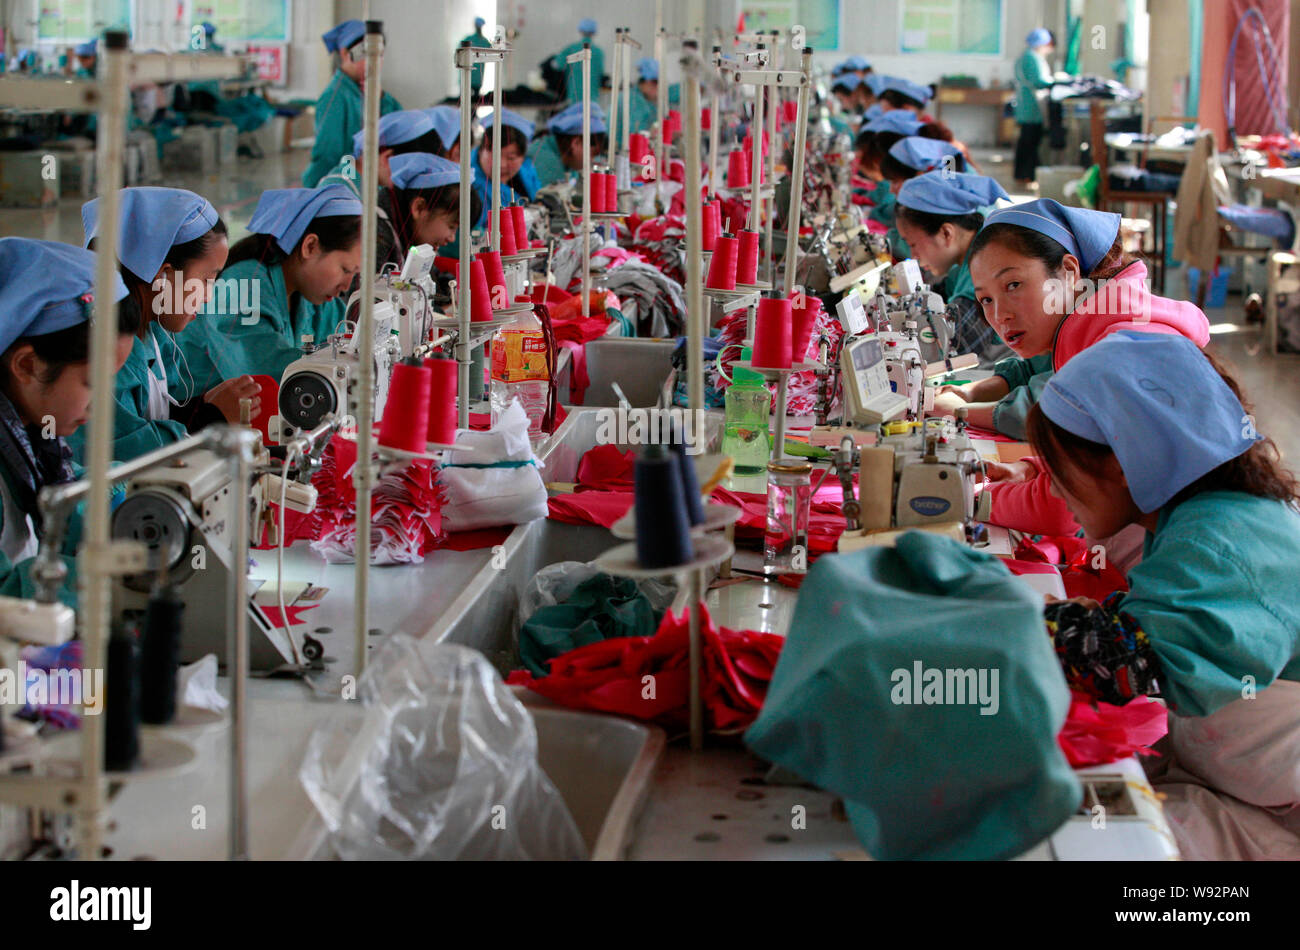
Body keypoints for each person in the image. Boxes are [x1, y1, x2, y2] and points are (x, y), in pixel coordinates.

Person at [1026, 333, 1300, 859]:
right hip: (1243, 781)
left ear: (1124, 462)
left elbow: (1122, 660)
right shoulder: (1201, 515)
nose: (1056, 490)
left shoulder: (1221, 542)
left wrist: (986, 621)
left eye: (1060, 471)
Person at [938, 199, 1209, 536]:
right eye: (986, 299)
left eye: (1013, 285)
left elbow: (1061, 510)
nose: (1000, 315)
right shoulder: (1096, 330)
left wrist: (959, 498)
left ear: (1068, 272)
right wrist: (1033, 469)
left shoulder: (1111, 353)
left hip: (1193, 553)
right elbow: (1103, 460)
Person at [71, 187, 256, 465]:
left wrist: (198, 409)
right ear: (164, 276)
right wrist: (209, 420)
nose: (208, 296)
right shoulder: (108, 358)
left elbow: (148, 419)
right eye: (206, 280)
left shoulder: (156, 335)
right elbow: (122, 458)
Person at [0, 239, 139, 606]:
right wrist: (118, 582)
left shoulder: (30, 433)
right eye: (92, 383)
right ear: (27, 365)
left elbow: (61, 494)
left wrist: (126, 492)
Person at [176, 186, 363, 390]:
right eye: (345, 269)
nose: (346, 286)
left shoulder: (318, 299)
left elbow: (344, 347)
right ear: (310, 246)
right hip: (199, 414)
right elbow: (261, 377)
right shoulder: (242, 288)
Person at [894, 172, 1013, 366]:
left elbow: (953, 347)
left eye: (913, 244)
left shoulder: (985, 267)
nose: (913, 255)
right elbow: (941, 291)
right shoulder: (970, 256)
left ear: (946, 233)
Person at [302, 20, 402, 188]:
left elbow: (400, 127)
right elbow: (329, 156)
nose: (375, 62)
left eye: (380, 54)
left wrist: (381, 97)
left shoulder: (371, 92)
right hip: (344, 189)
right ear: (345, 54)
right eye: (366, 54)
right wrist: (349, 186)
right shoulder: (336, 98)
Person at [387, 153, 476, 254]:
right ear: (419, 208)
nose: (452, 239)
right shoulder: (380, 241)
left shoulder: (412, 247)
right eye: (451, 226)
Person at [473, 109, 539, 223]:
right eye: (495, 156)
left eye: (511, 158)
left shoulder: (527, 169)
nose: (501, 165)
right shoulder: (469, 187)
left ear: (522, 157)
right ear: (480, 150)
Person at [528, 102, 608, 188]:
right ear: (576, 143)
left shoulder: (567, 159)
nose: (592, 160)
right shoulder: (546, 163)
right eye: (592, 155)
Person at [1014, 28, 1055, 187]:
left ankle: (1023, 175)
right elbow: (1039, 81)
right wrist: (1056, 82)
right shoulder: (1032, 58)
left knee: (1025, 142)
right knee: (1030, 143)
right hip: (1031, 106)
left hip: (1026, 105)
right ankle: (1026, 175)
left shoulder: (1025, 56)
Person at [552, 19, 604, 105]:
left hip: (574, 95)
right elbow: (601, 73)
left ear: (580, 31)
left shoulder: (571, 48)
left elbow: (557, 65)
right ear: (594, 33)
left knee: (576, 116)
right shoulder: (599, 52)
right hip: (592, 96)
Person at [610, 58, 659, 144]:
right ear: (647, 82)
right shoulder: (634, 101)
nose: (657, 89)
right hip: (623, 150)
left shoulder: (644, 100)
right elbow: (637, 135)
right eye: (655, 84)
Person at [461, 16, 493, 96]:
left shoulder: (470, 39)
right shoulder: (483, 41)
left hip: (471, 76)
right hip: (474, 76)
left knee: (467, 99)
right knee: (473, 100)